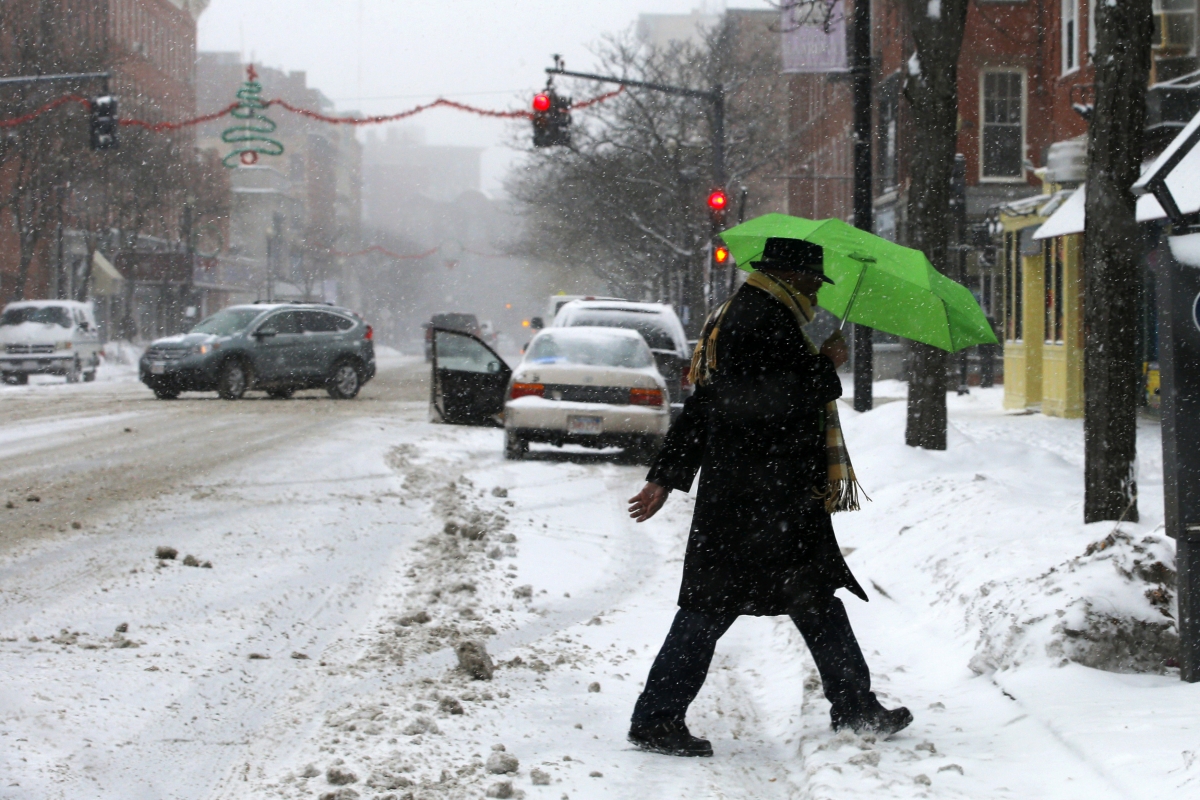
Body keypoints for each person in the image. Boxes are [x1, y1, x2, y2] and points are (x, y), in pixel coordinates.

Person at [626, 237, 912, 758]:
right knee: (711, 608)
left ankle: (854, 705)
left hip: (762, 494)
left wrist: (666, 475)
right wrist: (825, 366)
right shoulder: (762, 320)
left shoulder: (747, 313)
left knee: (811, 599)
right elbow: (758, 402)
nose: (816, 292)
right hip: (759, 497)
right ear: (788, 274)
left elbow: (711, 402)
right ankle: (656, 718)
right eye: (812, 281)